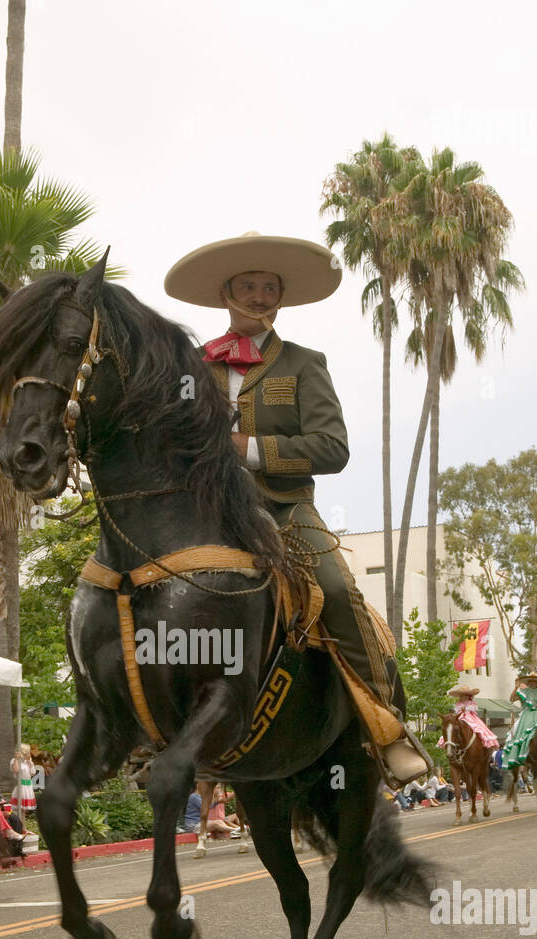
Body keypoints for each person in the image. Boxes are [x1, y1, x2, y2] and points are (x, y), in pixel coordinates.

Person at [164, 231, 431, 788]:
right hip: (204, 515)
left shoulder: (306, 364)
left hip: (284, 512)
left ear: (280, 298)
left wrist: (250, 449)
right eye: (247, 286)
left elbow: (333, 448)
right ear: (225, 293)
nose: (258, 296)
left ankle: (386, 725)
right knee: (135, 585)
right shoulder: (189, 366)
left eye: (268, 288)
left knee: (335, 588)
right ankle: (150, 732)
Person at [10, 744, 37, 815]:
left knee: (24, 810)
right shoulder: (16, 761)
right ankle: (21, 824)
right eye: (28, 752)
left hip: (28, 786)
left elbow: (33, 773)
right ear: (23, 753)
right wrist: (16, 759)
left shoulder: (27, 762)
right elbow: (16, 770)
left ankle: (23, 825)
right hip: (21, 786)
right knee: (20, 808)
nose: (30, 754)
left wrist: (30, 764)